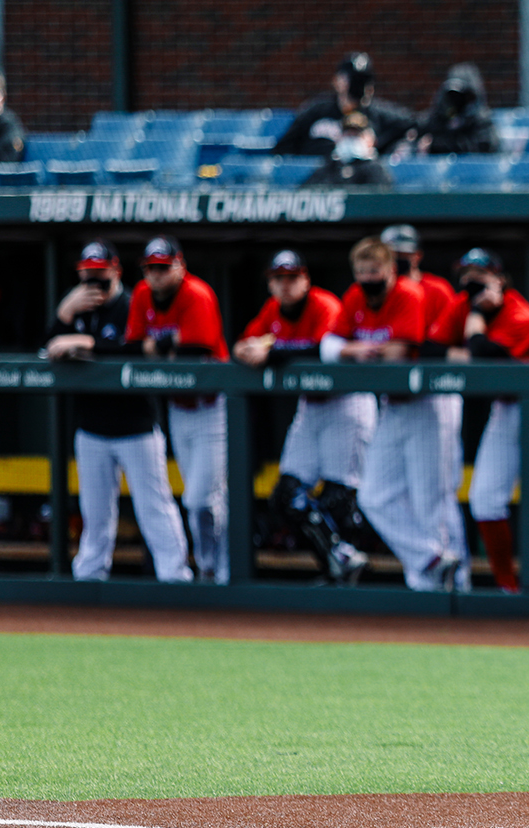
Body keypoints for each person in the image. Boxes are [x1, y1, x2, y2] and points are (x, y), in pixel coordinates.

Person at [424, 248, 529, 593]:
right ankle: (508, 586)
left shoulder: (519, 312)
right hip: (507, 406)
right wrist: (472, 325)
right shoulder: (461, 305)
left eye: (481, 275)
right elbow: (430, 349)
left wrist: (476, 319)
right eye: (466, 275)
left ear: (500, 280)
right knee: (484, 498)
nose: (471, 282)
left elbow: (484, 355)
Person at [43, 240, 193, 583]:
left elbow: (135, 346)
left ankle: (175, 578)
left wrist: (86, 343)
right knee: (94, 514)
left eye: (101, 276)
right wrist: (64, 313)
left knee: (154, 507)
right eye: (88, 276)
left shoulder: (132, 303)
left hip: (136, 425)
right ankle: (90, 579)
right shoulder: (76, 306)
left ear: (116, 272)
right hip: (91, 426)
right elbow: (49, 346)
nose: (94, 285)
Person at [321, 237, 457, 590]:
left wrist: (356, 352)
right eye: (362, 271)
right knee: (373, 497)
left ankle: (447, 592)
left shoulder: (409, 295)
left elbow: (397, 355)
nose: (368, 278)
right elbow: (329, 345)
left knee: (431, 503)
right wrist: (354, 349)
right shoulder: (354, 297)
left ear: (390, 270)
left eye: (375, 270)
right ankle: (431, 561)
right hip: (392, 408)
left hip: (427, 405)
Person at [233, 249, 374, 584]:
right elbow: (242, 345)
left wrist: (272, 353)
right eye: (278, 278)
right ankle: (338, 562)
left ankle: (345, 574)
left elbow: (321, 350)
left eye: (292, 277)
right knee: (287, 495)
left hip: (346, 403)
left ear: (306, 279)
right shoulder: (272, 311)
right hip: (311, 407)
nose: (285, 285)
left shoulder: (325, 304)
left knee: (340, 499)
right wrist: (248, 350)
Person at [124, 236, 232, 584]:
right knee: (199, 499)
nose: (156, 275)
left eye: (163, 267)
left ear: (180, 266)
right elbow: (133, 346)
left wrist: (160, 348)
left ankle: (224, 569)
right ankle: (210, 569)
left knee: (201, 498)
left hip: (212, 407)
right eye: (151, 268)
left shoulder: (196, 293)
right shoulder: (142, 294)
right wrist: (167, 346)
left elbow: (195, 349)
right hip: (178, 409)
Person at [382, 222, 469, 590]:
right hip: (396, 401)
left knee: (435, 494)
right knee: (379, 495)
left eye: (403, 255)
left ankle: (456, 586)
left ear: (416, 255)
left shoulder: (436, 290)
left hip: (436, 397)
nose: (398, 262)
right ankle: (427, 569)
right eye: (391, 256)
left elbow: (452, 344)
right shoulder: (379, 293)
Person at [274, 53, 416, 157]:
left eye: (363, 81)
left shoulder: (379, 114)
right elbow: (283, 148)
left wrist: (379, 144)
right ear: (337, 81)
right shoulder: (317, 111)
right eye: (353, 79)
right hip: (321, 180)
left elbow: (413, 124)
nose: (358, 86)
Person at [416, 63, 496, 155]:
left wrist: (437, 146)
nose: (457, 100)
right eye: (453, 96)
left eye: (463, 96)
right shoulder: (439, 118)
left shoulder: (482, 122)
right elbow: (417, 133)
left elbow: (482, 146)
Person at [301, 112, 392, 187]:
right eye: (347, 134)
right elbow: (307, 192)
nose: (351, 139)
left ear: (371, 141)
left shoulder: (376, 170)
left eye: (356, 135)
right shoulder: (328, 166)